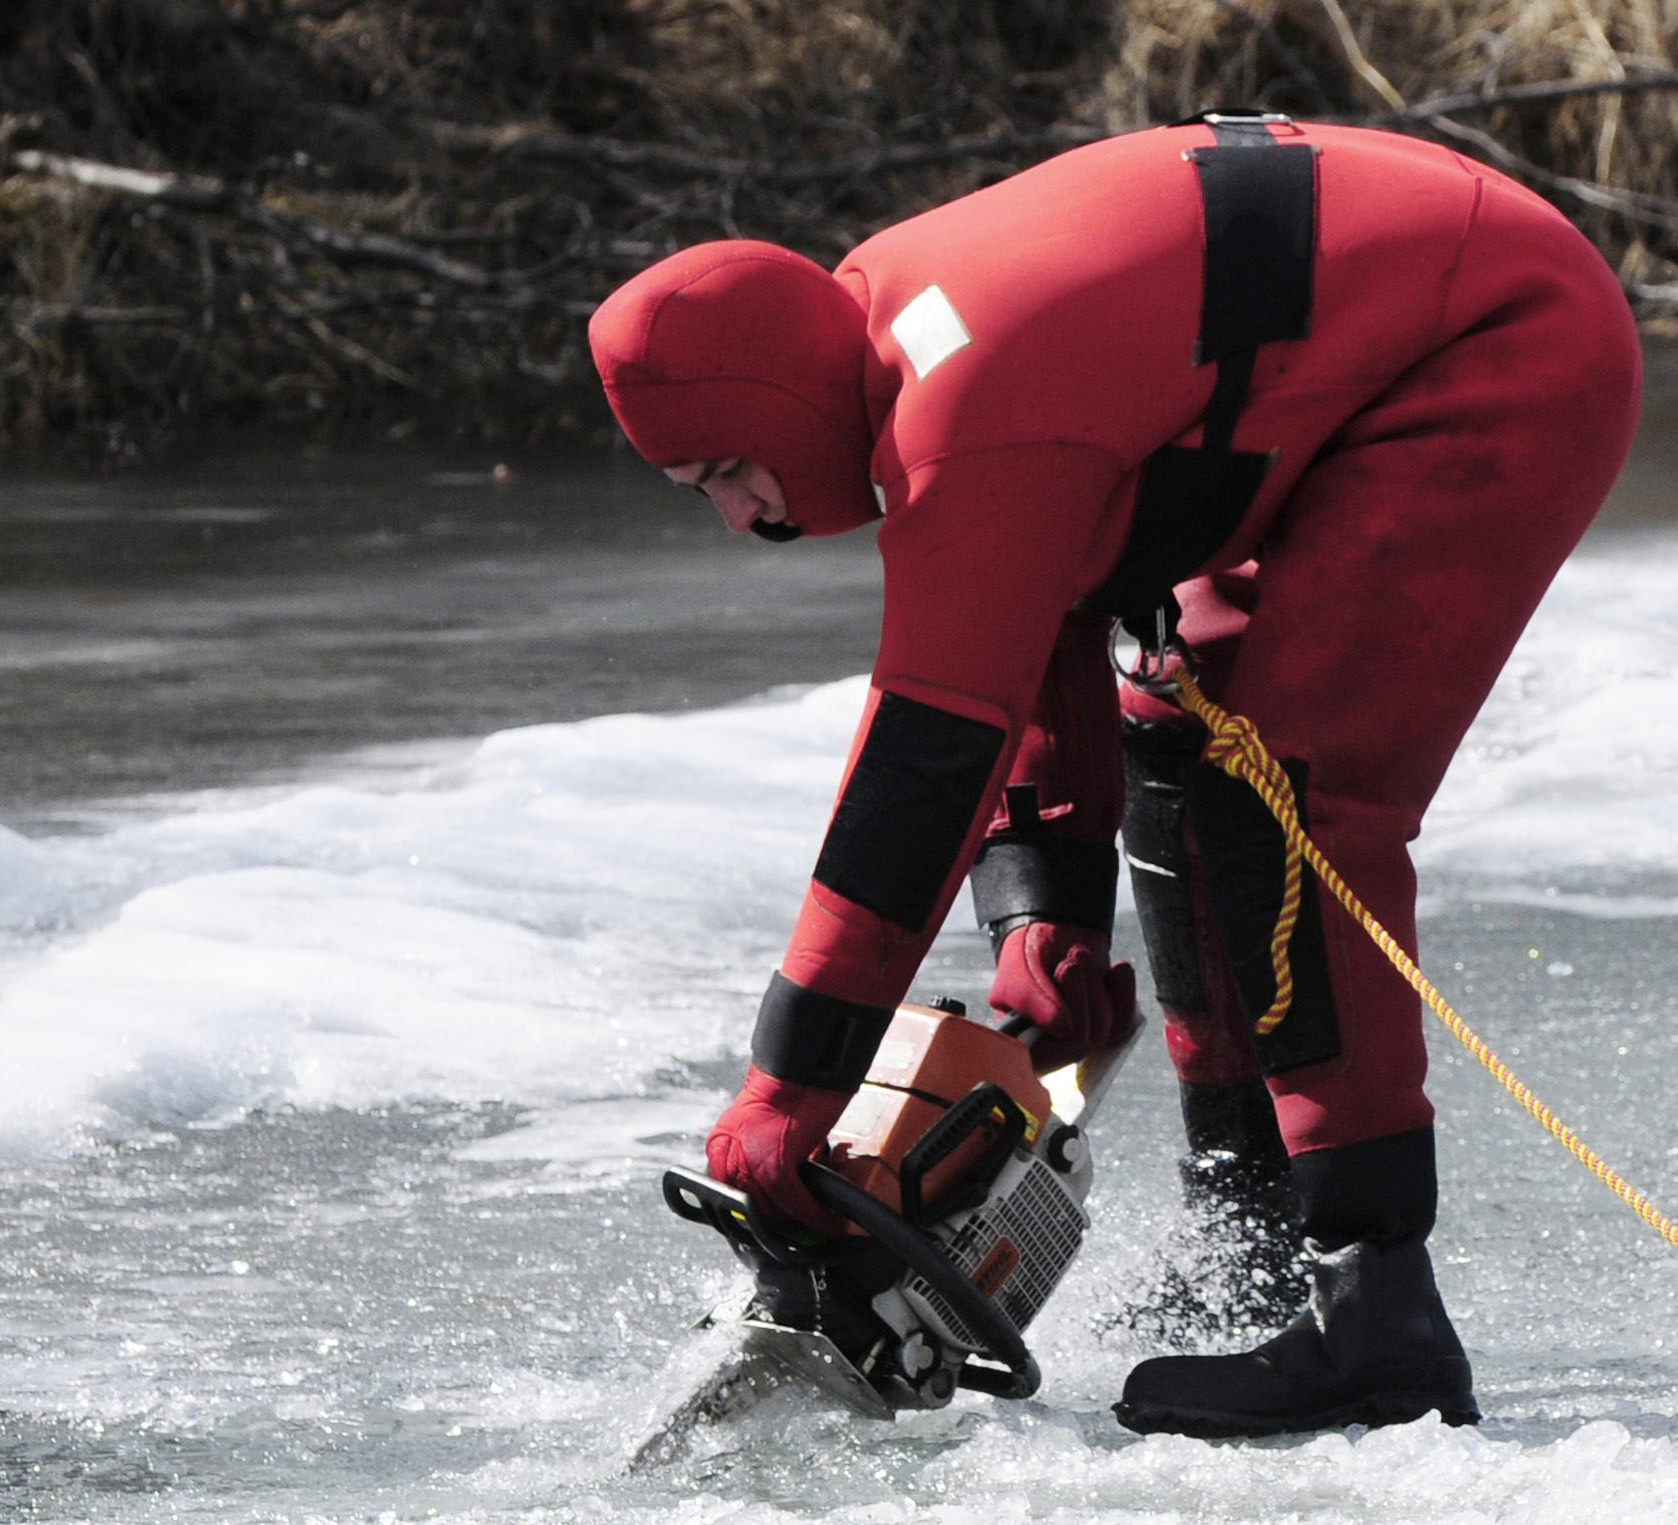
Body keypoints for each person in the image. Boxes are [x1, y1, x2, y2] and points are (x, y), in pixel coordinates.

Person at [587, 114, 1641, 1438]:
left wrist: (786, 1090)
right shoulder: (887, 344)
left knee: (1282, 798)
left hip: (1495, 339)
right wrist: (1047, 935)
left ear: (785, 412)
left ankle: (1377, 1309)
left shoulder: (960, 401)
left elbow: (927, 756)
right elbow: (1037, 641)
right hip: (1319, 380)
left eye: (730, 476)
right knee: (1175, 741)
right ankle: (1242, 1251)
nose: (744, 521)